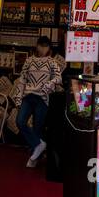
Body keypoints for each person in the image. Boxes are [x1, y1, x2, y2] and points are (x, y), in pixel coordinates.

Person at [13, 36, 65, 167]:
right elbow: (22, 80)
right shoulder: (29, 61)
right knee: (20, 121)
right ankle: (39, 145)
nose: (42, 49)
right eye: (41, 46)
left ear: (49, 48)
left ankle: (34, 159)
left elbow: (58, 78)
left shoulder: (52, 62)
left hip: (43, 98)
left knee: (38, 127)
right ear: (37, 46)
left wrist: (49, 83)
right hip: (28, 96)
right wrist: (18, 98)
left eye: (45, 46)